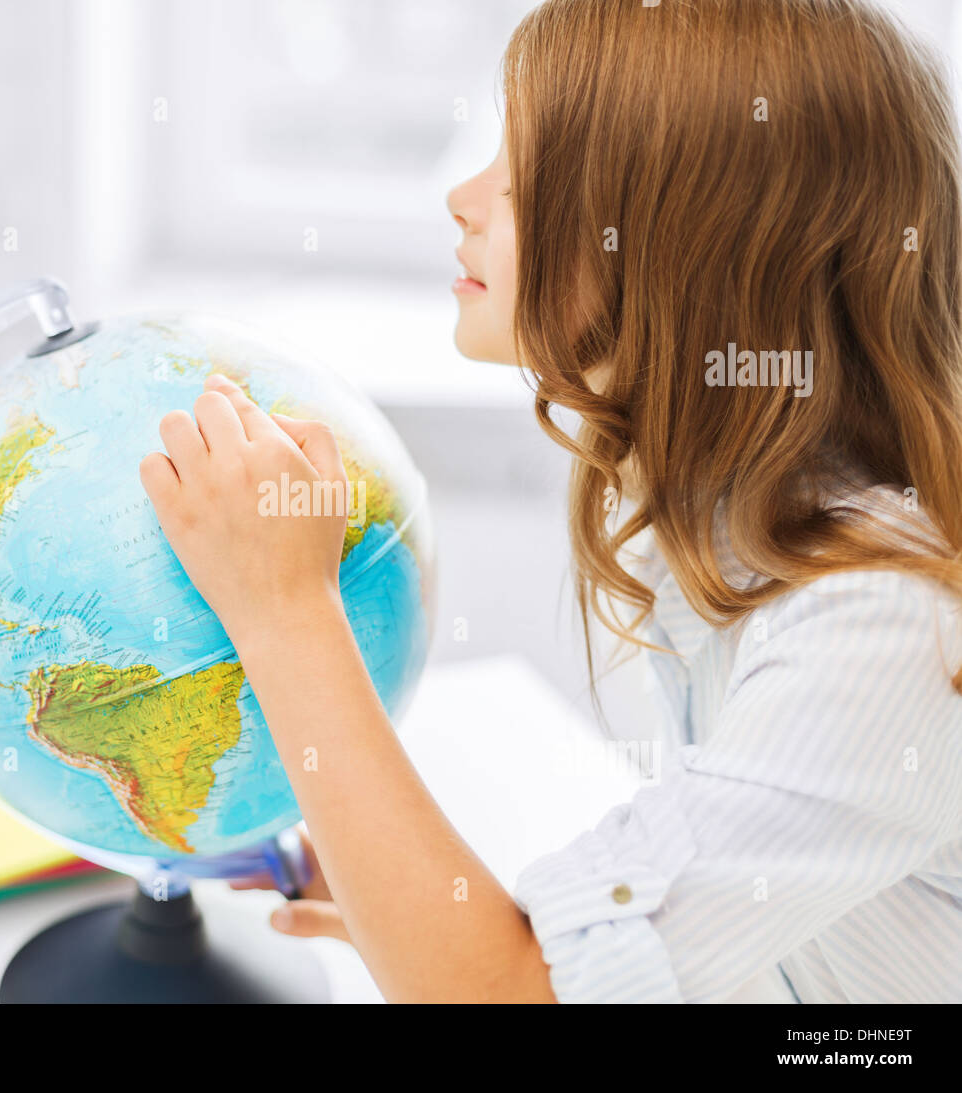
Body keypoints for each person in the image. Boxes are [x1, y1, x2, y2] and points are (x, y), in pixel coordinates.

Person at [138, 0, 962, 1003]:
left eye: (522, 181)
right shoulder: (732, 525)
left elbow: (509, 997)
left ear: (678, 254)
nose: (461, 196)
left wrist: (281, 606)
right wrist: (420, 918)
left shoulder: (878, 621)